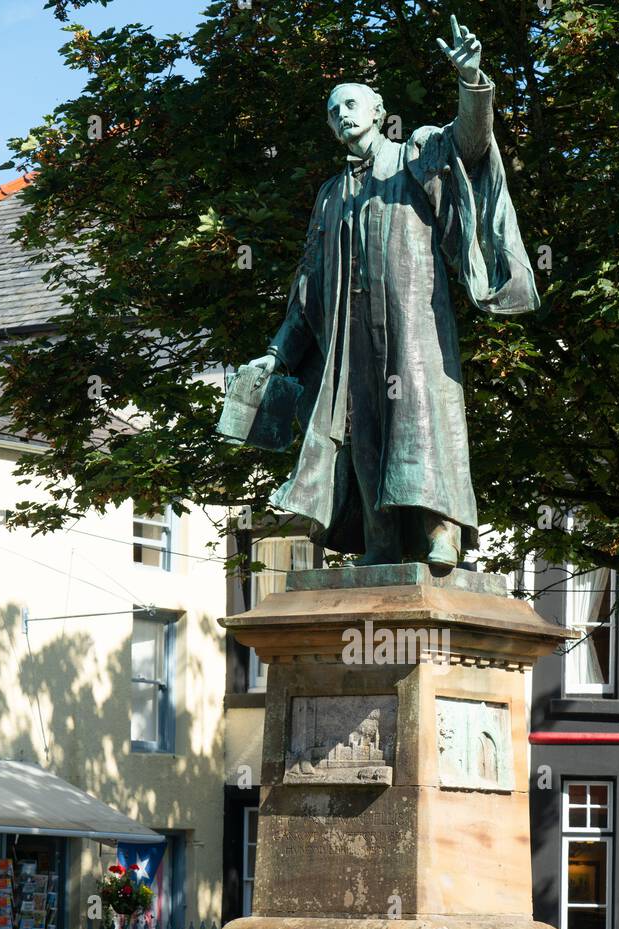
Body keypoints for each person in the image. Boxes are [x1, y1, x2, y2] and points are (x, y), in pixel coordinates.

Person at [234, 15, 539, 571]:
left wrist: (472, 83)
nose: (341, 115)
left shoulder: (415, 154)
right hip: (350, 342)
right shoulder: (330, 196)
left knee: (422, 417)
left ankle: (441, 526)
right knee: (364, 434)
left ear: (377, 109)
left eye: (350, 104)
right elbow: (307, 287)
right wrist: (277, 353)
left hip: (413, 325)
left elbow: (471, 147)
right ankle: (380, 545)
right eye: (332, 111)